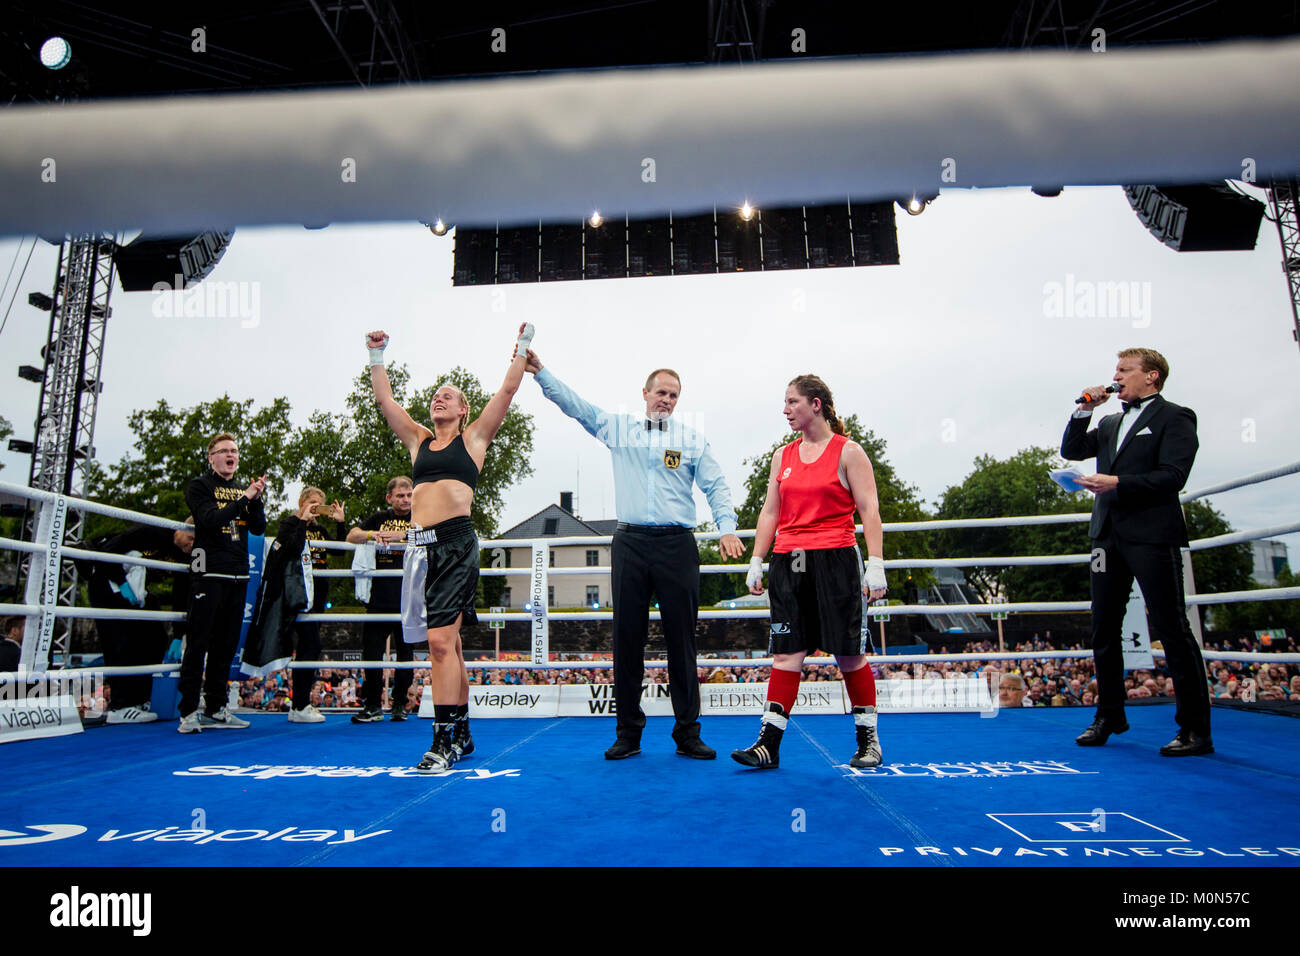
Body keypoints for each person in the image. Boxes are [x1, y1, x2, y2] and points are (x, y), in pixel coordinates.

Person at [523, 349, 742, 760]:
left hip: (678, 543)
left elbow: (716, 486)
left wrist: (727, 527)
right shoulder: (619, 428)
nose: (668, 400)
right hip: (629, 543)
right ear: (644, 392)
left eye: (675, 395)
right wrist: (541, 373)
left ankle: (688, 733)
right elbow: (578, 408)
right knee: (627, 639)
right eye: (661, 392)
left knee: (682, 642)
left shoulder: (691, 439)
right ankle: (628, 733)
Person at [367, 324, 532, 772]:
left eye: (449, 395)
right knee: (448, 646)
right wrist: (376, 354)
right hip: (420, 553)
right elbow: (386, 402)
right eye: (435, 395)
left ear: (463, 409)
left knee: (441, 642)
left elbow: (508, 390)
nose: (439, 398)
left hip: (457, 546)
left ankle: (442, 741)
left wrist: (522, 346)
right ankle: (461, 730)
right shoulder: (419, 440)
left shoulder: (473, 439)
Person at [732, 374, 888, 770]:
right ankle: (768, 745)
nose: (785, 410)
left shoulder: (848, 451)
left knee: (850, 654)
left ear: (815, 404)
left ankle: (868, 741)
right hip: (789, 561)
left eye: (792, 402)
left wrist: (876, 564)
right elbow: (770, 511)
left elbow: (869, 509)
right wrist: (756, 558)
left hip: (836, 559)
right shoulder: (781, 457)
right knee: (786, 654)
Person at [1062, 347, 1212, 756]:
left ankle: (1195, 728)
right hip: (1106, 535)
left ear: (1151, 377)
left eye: (1125, 369)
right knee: (1103, 627)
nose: (1117, 375)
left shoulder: (1175, 416)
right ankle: (1109, 714)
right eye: (1116, 369)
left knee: (1172, 627)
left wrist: (1117, 483)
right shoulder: (1110, 421)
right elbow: (1072, 451)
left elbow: (1173, 476)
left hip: (1151, 533)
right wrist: (1083, 410)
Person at [178, 433, 268, 733]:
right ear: (211, 457)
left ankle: (216, 707)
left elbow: (258, 527)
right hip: (208, 570)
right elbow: (210, 521)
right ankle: (188, 711)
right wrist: (244, 498)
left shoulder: (242, 490)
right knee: (199, 641)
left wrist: (256, 499)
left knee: (226, 645)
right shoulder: (200, 486)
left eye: (235, 451)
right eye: (224, 451)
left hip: (239, 572)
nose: (231, 455)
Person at [247, 487, 344, 723]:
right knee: (309, 645)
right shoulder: (289, 523)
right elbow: (291, 546)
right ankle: (299, 704)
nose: (315, 508)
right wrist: (302, 520)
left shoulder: (321, 530)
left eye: (319, 505)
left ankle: (300, 704)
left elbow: (340, 552)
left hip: (318, 591)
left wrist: (340, 523)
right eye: (312, 503)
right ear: (301, 502)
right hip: (295, 593)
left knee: (310, 647)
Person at [85, 520, 195, 723]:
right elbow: (107, 552)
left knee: (157, 639)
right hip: (105, 581)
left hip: (137, 590)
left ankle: (139, 700)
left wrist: (179, 635)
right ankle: (120, 705)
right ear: (181, 529)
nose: (191, 544)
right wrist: (121, 582)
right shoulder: (151, 532)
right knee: (121, 640)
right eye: (190, 538)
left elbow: (181, 594)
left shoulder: (186, 554)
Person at [346, 476, 416, 722]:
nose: (405, 500)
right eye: (400, 496)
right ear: (390, 498)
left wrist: (400, 535)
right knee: (372, 653)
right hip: (379, 597)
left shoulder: (421, 517)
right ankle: (373, 705)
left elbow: (433, 535)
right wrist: (371, 534)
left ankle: (399, 705)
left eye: (409, 495)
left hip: (409, 597)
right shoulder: (379, 518)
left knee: (406, 655)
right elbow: (351, 536)